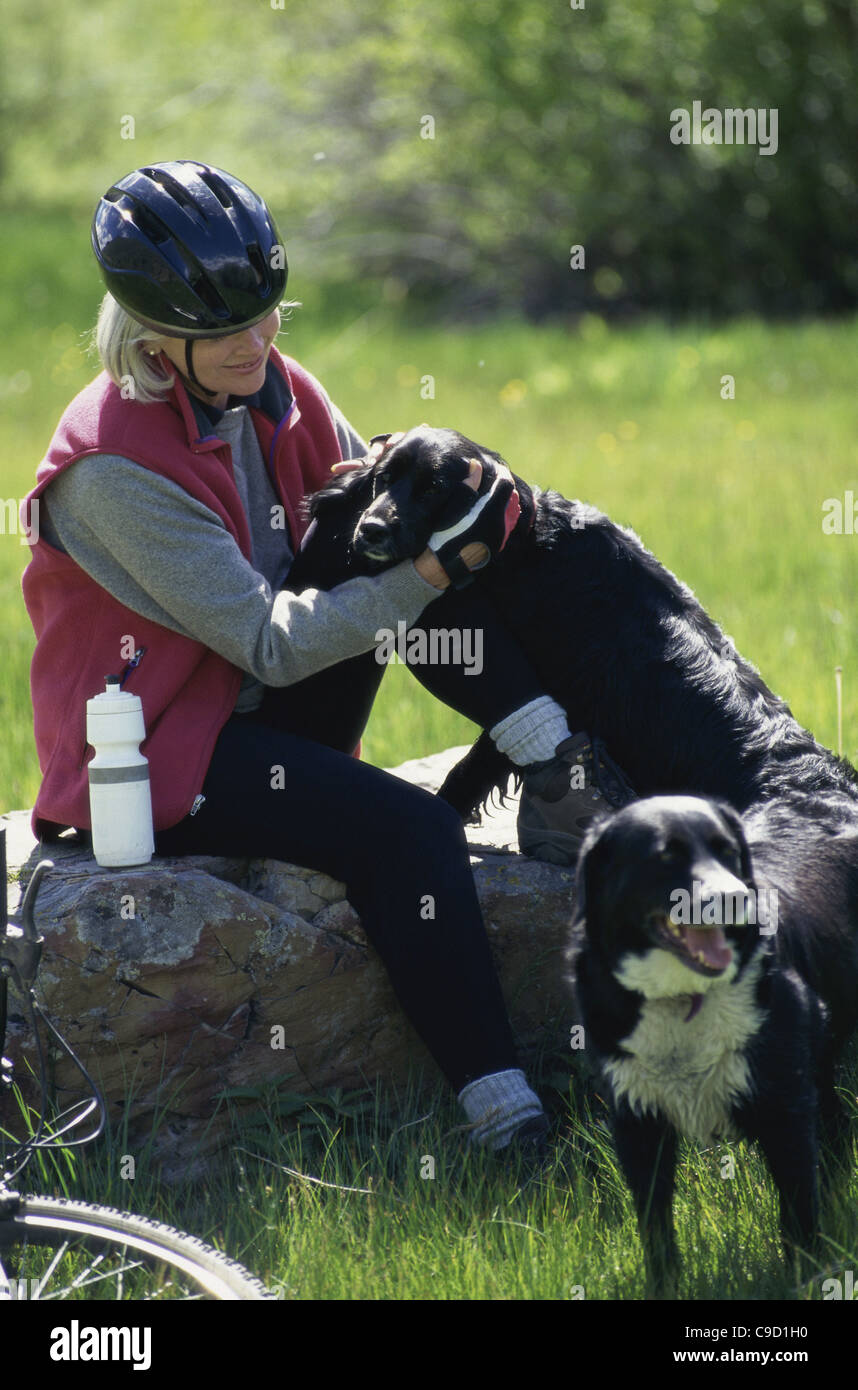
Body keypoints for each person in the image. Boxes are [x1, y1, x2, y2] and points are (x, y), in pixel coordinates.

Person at [21, 161, 632, 1157]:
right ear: (149, 336)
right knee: (410, 832)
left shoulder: (274, 384)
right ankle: (508, 1117)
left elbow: (376, 529)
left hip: (268, 704)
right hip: (161, 757)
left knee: (411, 508)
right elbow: (271, 638)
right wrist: (431, 573)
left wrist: (468, 515)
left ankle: (556, 766)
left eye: (268, 315)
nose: (257, 345)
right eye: (225, 332)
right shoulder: (109, 469)